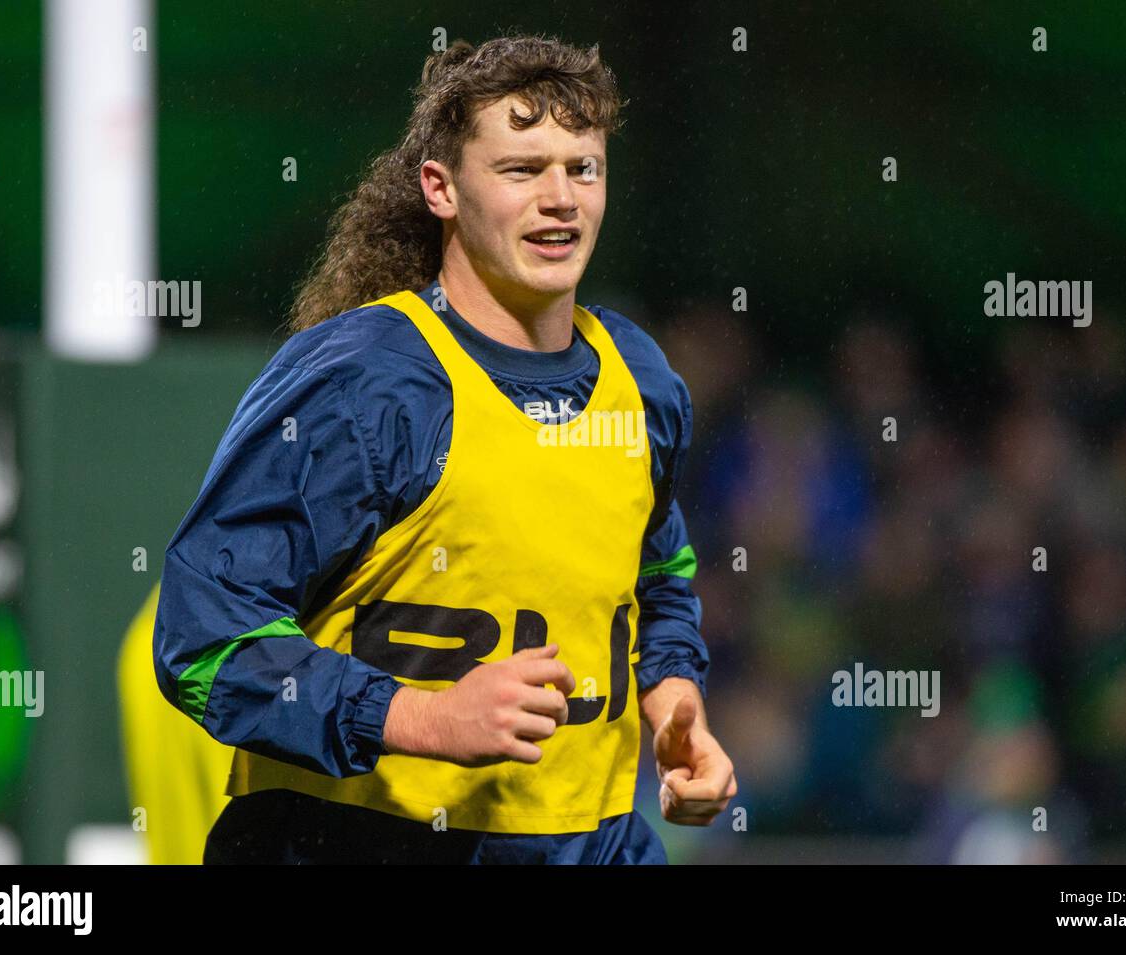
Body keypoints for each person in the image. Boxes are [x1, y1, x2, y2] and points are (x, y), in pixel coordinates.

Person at [152, 33, 736, 864]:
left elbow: (659, 575)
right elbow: (201, 639)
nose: (560, 197)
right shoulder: (362, 382)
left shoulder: (640, 379)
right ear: (442, 187)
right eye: (521, 168)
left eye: (582, 167)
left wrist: (677, 706)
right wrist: (426, 718)